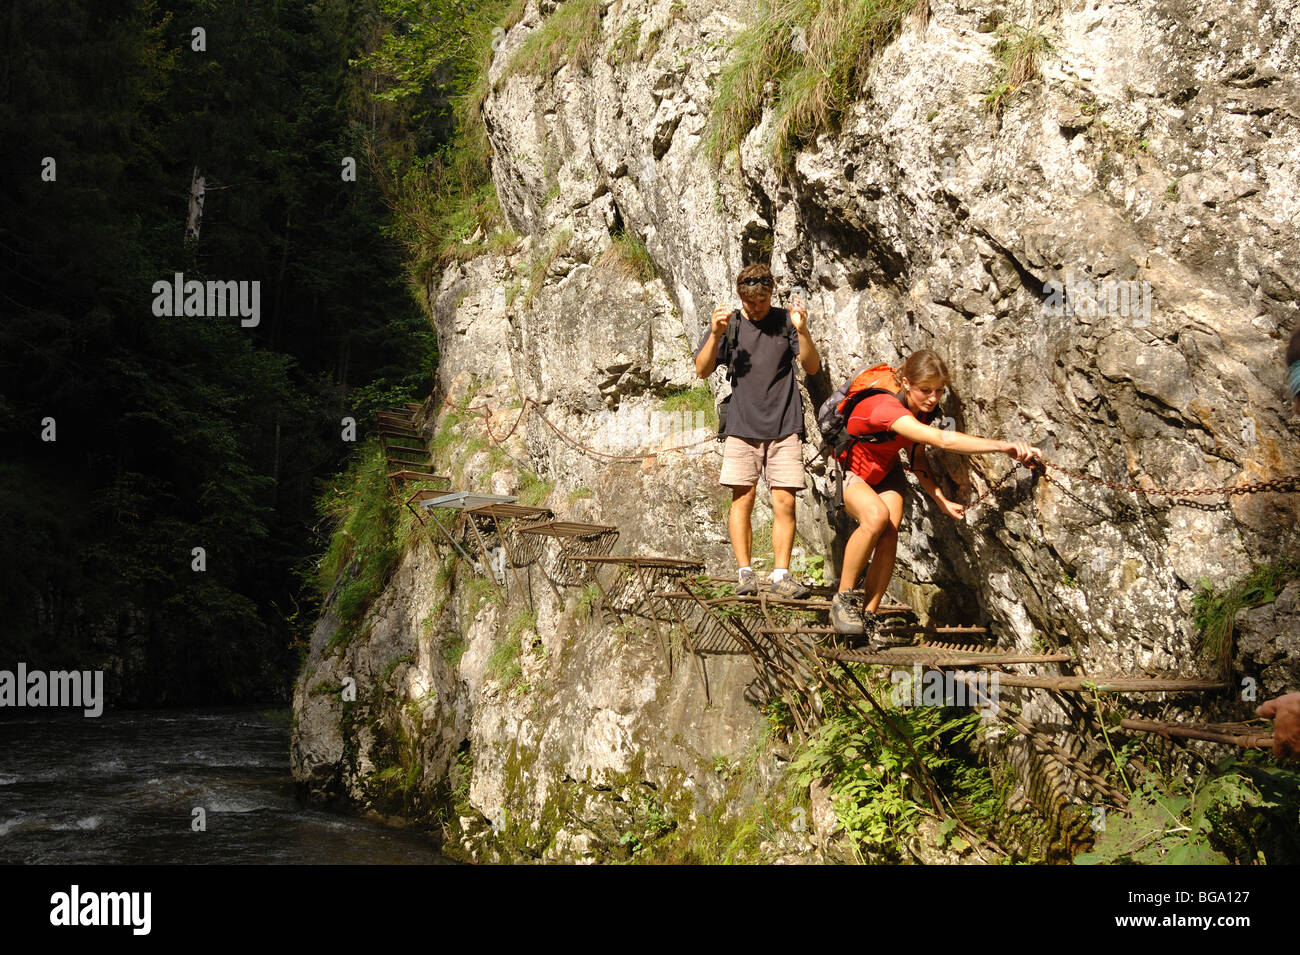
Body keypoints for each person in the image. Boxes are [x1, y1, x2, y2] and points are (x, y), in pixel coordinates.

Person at [829, 349, 1043, 637]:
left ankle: (868, 616)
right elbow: (941, 439)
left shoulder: (922, 412)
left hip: (884, 471)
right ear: (905, 383)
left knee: (890, 530)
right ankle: (843, 600)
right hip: (849, 469)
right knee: (875, 516)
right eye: (925, 390)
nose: (933, 398)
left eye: (939, 391)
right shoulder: (884, 408)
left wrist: (940, 499)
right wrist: (1004, 446)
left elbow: (917, 458)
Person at [696, 263, 821, 598]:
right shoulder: (730, 324)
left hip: (784, 425)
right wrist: (715, 334)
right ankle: (745, 573)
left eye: (762, 303)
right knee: (743, 498)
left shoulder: (785, 322)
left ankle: (781, 576)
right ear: (741, 298)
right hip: (741, 426)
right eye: (751, 304)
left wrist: (803, 331)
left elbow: (812, 366)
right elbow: (702, 370)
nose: (757, 309)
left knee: (785, 501)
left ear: (770, 296)